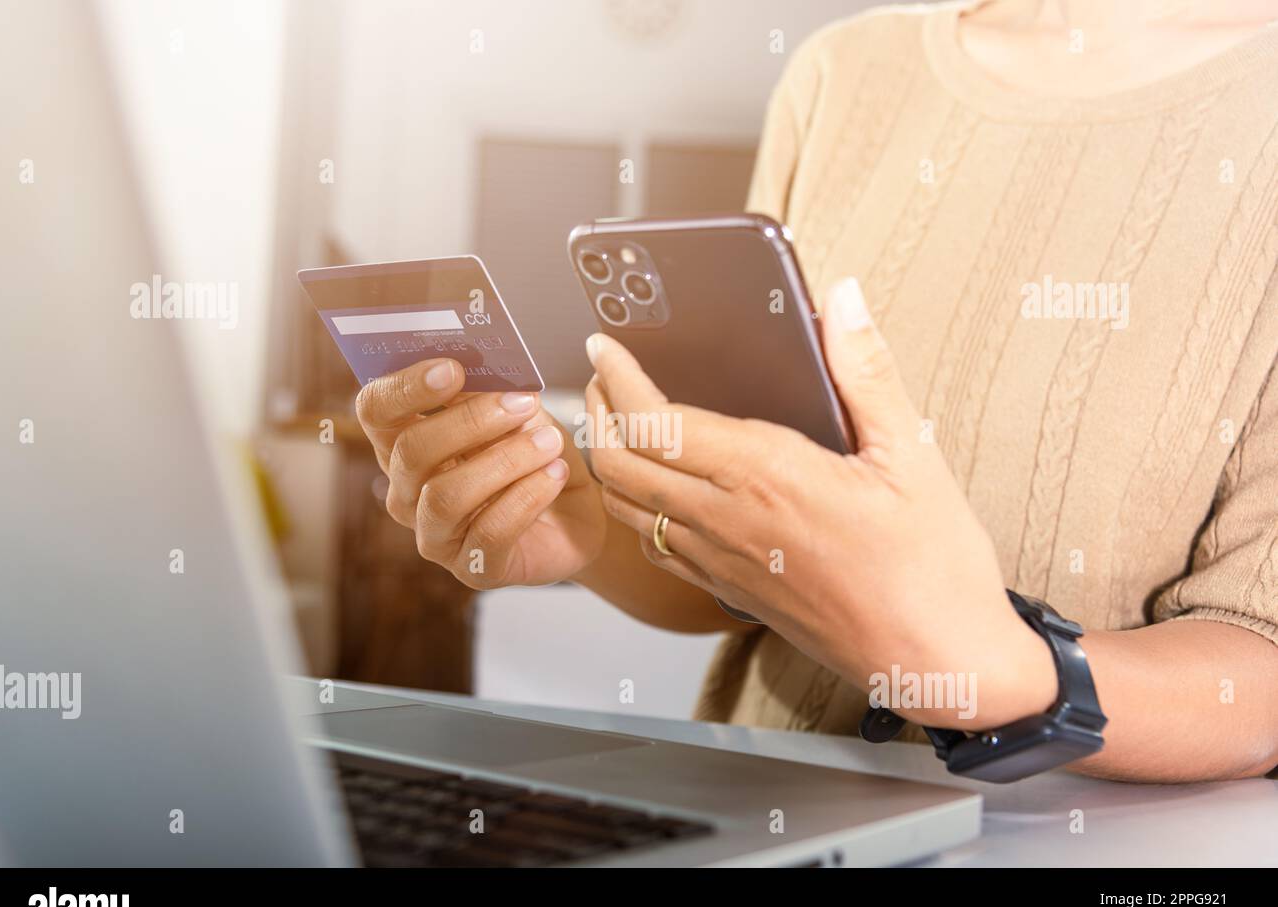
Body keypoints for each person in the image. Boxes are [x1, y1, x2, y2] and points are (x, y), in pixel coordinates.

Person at [354, 0, 1278, 783]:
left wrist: (986, 670)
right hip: (763, 821)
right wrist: (587, 524)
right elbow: (748, 572)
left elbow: (1260, 663)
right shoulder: (842, 74)